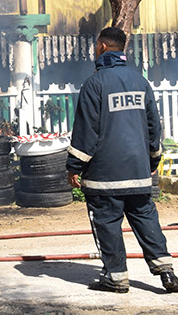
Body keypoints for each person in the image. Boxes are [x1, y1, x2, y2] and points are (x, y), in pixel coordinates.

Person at [67, 27, 178, 293]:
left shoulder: (95, 84)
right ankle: (168, 274)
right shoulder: (140, 82)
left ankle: (116, 279)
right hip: (138, 172)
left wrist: (74, 166)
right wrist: (152, 160)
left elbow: (86, 130)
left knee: (107, 223)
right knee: (146, 219)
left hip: (105, 176)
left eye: (96, 45)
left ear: (102, 47)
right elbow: (154, 127)